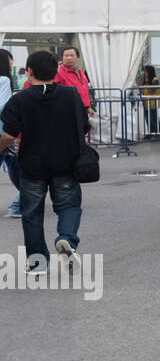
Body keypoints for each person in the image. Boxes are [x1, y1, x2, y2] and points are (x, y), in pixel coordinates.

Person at [0, 50, 89, 275]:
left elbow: (9, 135)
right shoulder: (71, 95)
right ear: (55, 71)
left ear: (28, 72)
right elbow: (84, 126)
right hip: (66, 163)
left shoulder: (19, 99)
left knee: (31, 214)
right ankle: (66, 238)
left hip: (32, 165)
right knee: (69, 206)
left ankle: (37, 263)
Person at [1, 50, 21, 218]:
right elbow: (3, 105)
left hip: (5, 132)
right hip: (4, 132)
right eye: (10, 59)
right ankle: (21, 202)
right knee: (16, 164)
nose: (12, 62)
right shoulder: (4, 80)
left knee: (15, 164)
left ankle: (23, 201)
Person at [51, 46, 94, 117]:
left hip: (82, 109)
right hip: (68, 110)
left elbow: (84, 90)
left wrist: (88, 107)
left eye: (71, 55)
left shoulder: (80, 71)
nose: (69, 58)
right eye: (66, 56)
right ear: (62, 58)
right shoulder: (58, 72)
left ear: (77, 58)